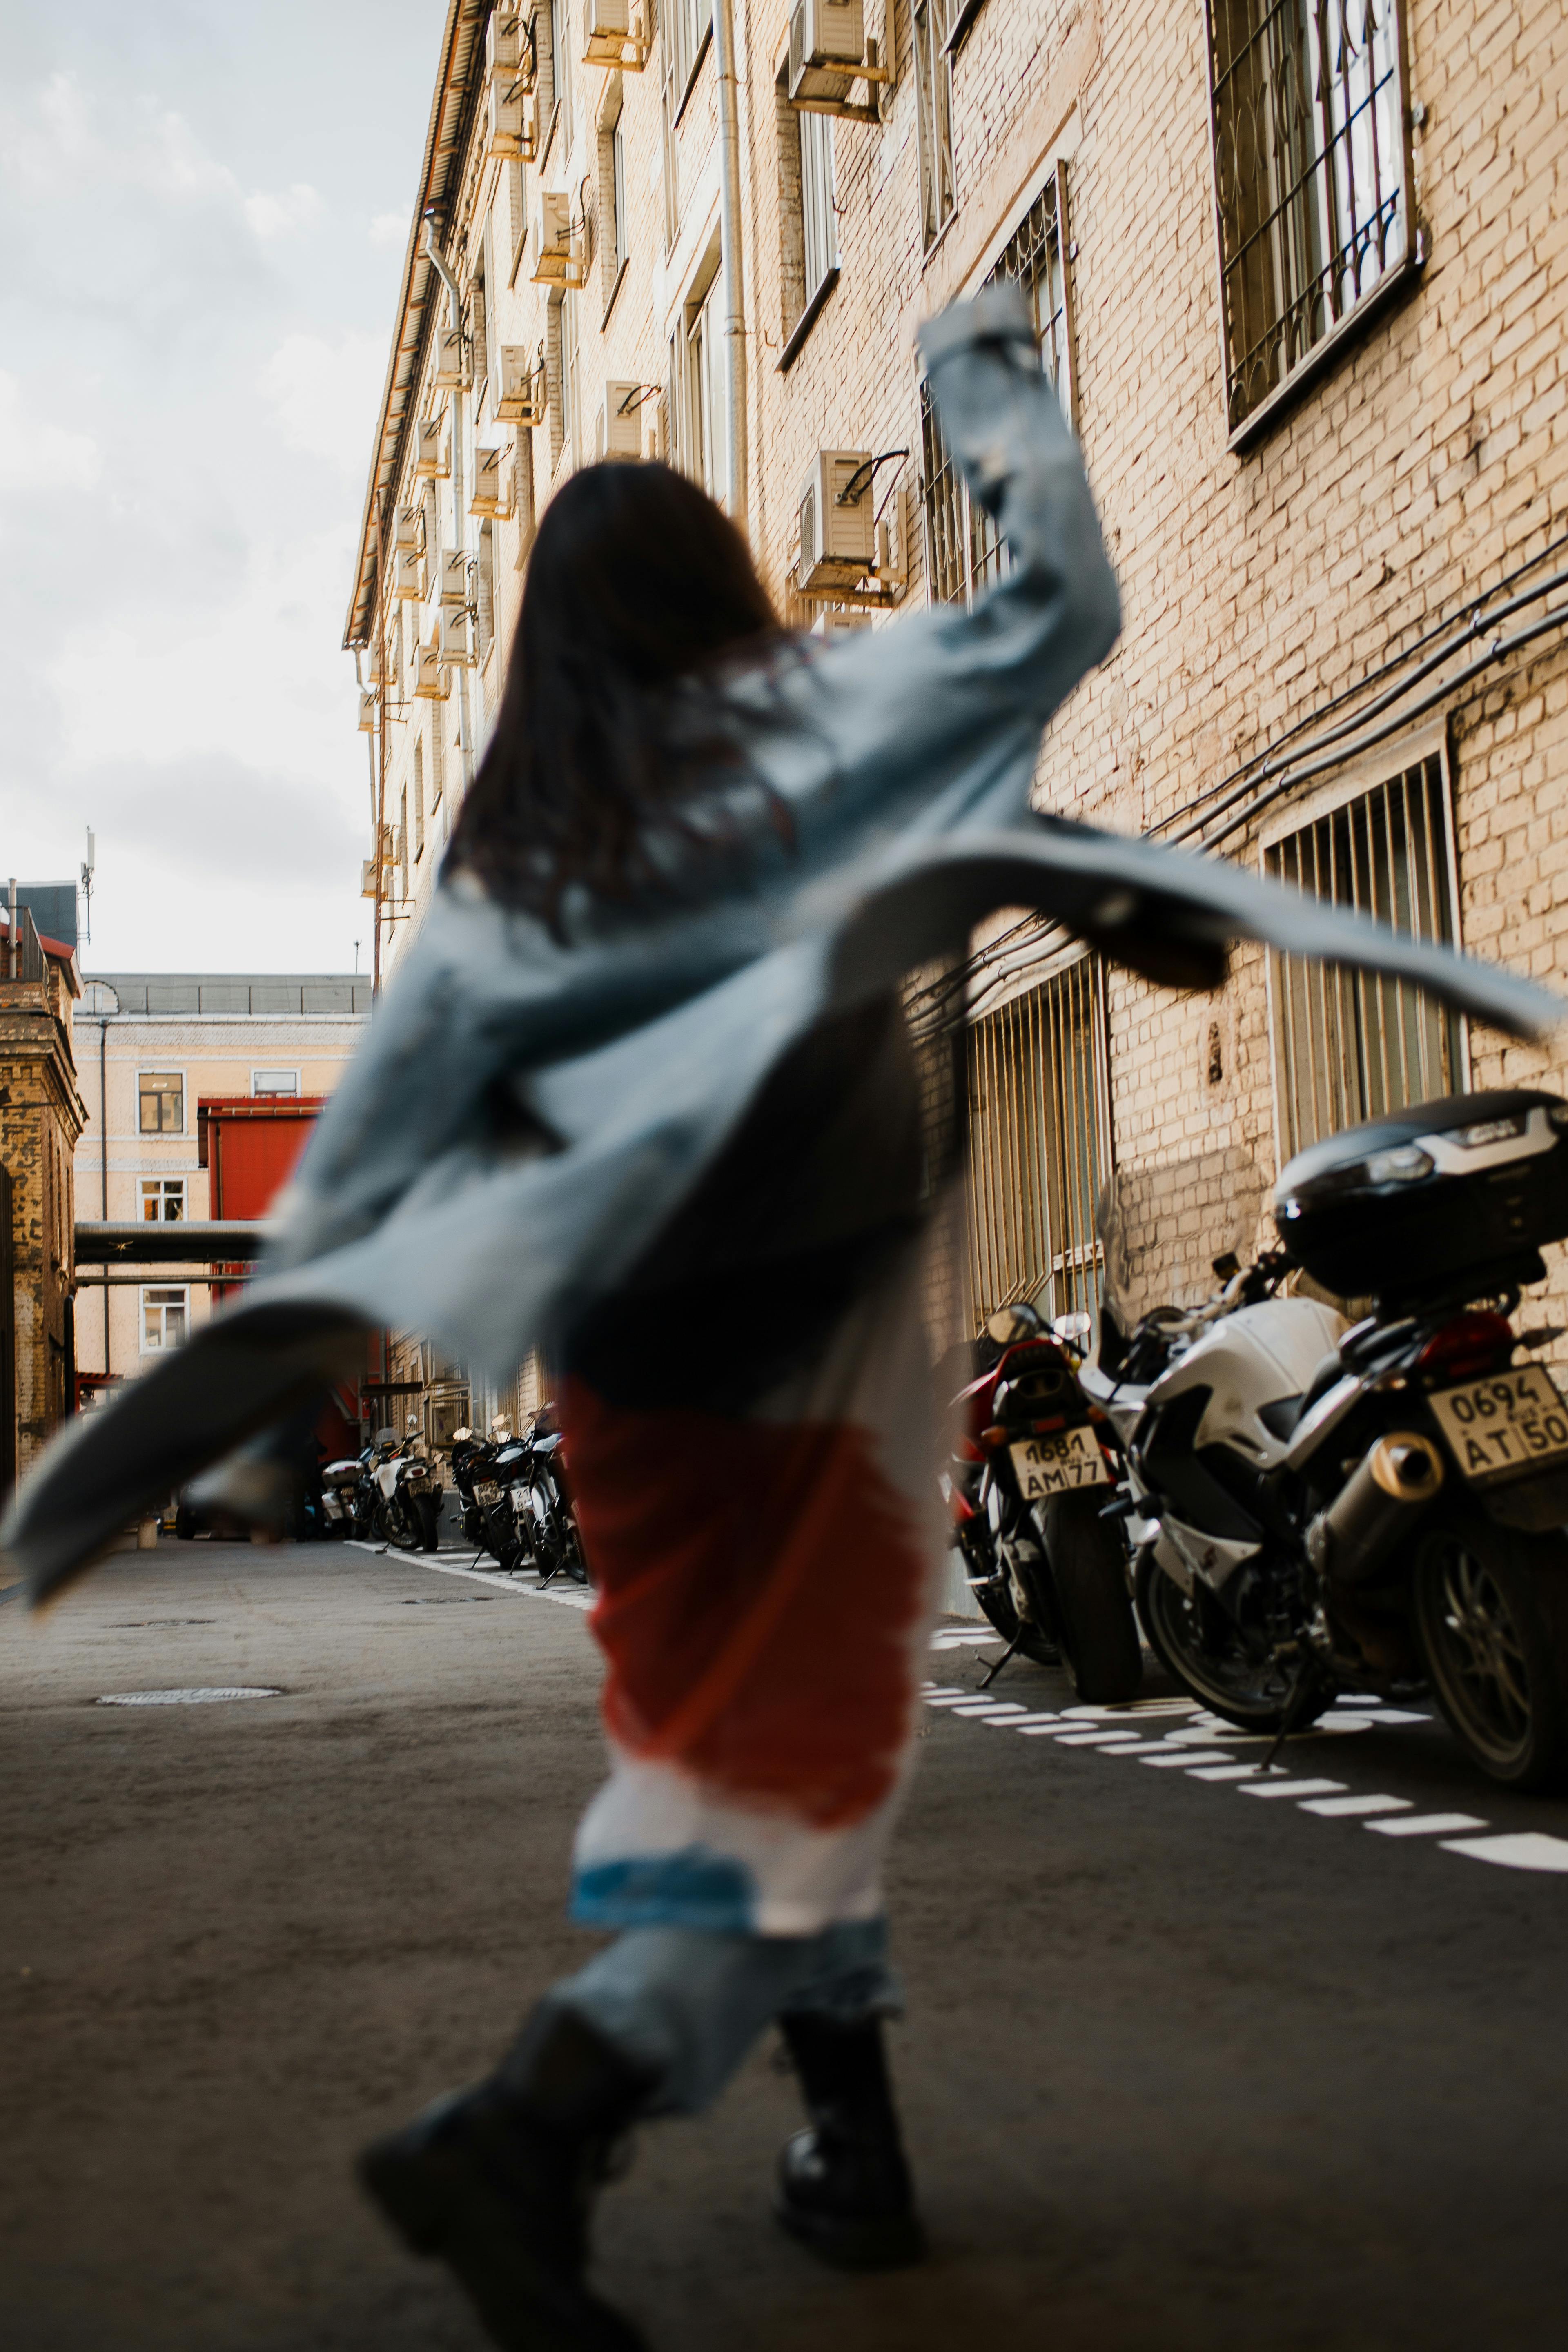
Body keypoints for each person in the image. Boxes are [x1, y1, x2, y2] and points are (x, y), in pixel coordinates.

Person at [3, 292, 1556, 2352]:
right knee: (784, 1773)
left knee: (753, 1762)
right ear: (729, 592)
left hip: (636, 1397)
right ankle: (539, 2130)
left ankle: (853, 2147)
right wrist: (994, 384)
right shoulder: (809, 725)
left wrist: (131, 1467)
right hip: (819, 1366)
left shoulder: (508, 861)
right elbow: (1065, 605)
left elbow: (364, 1196)